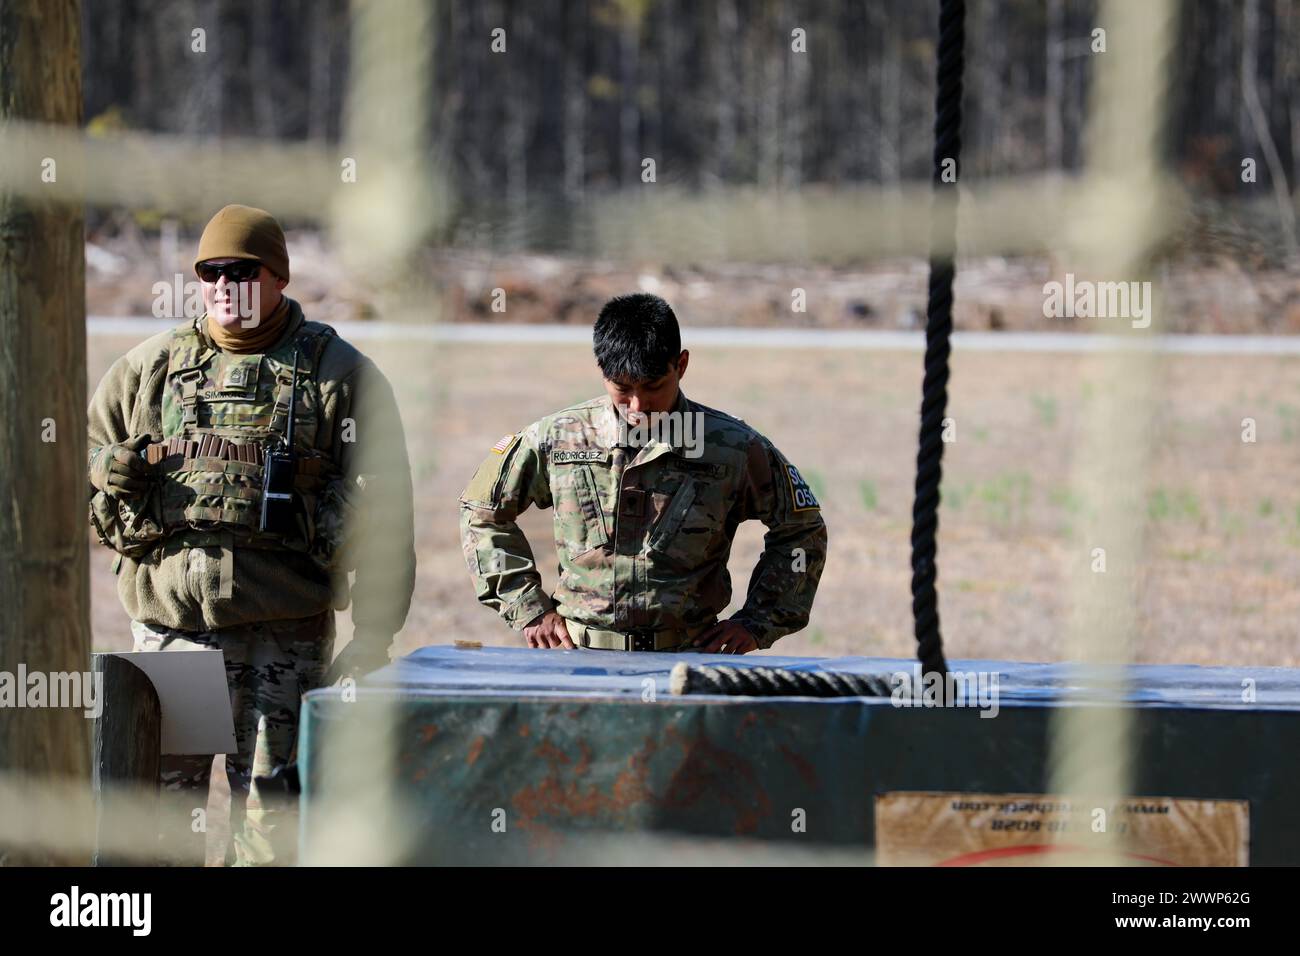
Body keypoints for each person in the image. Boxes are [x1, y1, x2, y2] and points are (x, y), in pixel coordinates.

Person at [87, 204, 415, 865]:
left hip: (281, 641)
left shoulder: (338, 377)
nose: (224, 285)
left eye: (243, 270)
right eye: (210, 272)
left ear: (279, 278)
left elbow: (388, 518)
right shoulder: (145, 371)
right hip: (173, 635)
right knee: (157, 830)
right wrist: (108, 472)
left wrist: (374, 635)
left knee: (273, 832)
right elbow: (83, 478)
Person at [459, 293, 827, 654]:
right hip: (578, 658)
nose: (638, 406)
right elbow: (482, 514)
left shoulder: (733, 446)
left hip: (689, 658)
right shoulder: (557, 437)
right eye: (622, 389)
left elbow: (801, 529)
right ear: (602, 372)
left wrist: (758, 622)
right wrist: (528, 608)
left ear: (680, 365)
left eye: (653, 387)